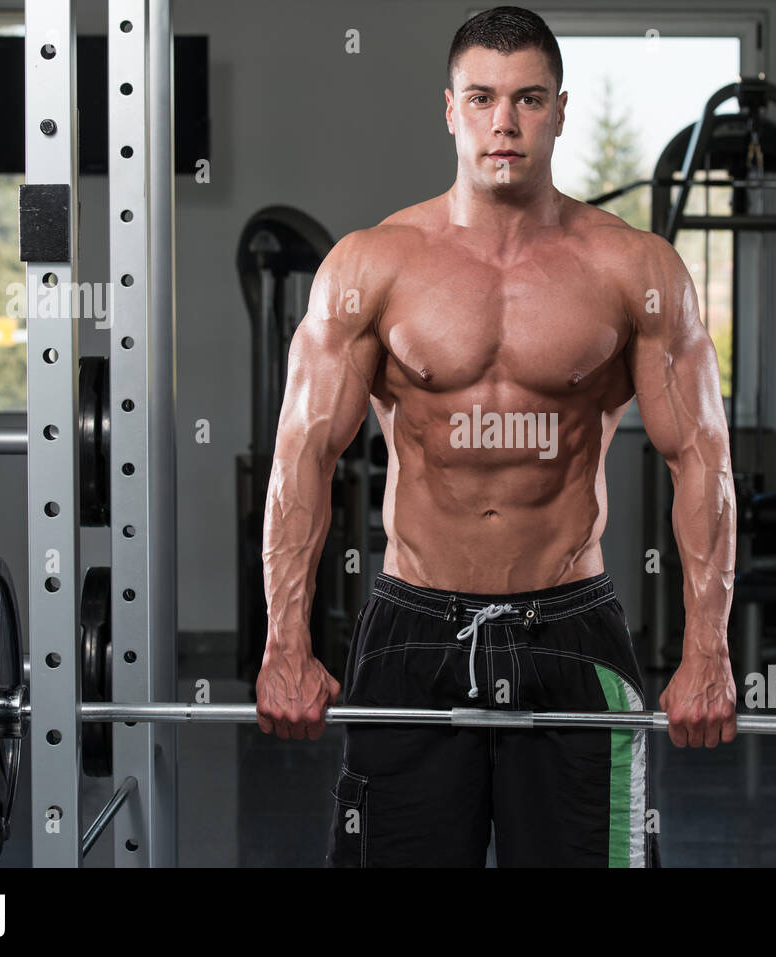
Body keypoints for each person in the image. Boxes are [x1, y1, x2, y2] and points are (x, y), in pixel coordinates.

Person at [256, 5, 737, 868]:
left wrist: (708, 645)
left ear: (560, 109)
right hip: (412, 630)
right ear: (449, 108)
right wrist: (285, 641)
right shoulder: (374, 266)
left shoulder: (635, 270)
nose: (504, 123)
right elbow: (303, 457)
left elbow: (701, 458)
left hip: (571, 629)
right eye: (481, 98)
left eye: (527, 99)